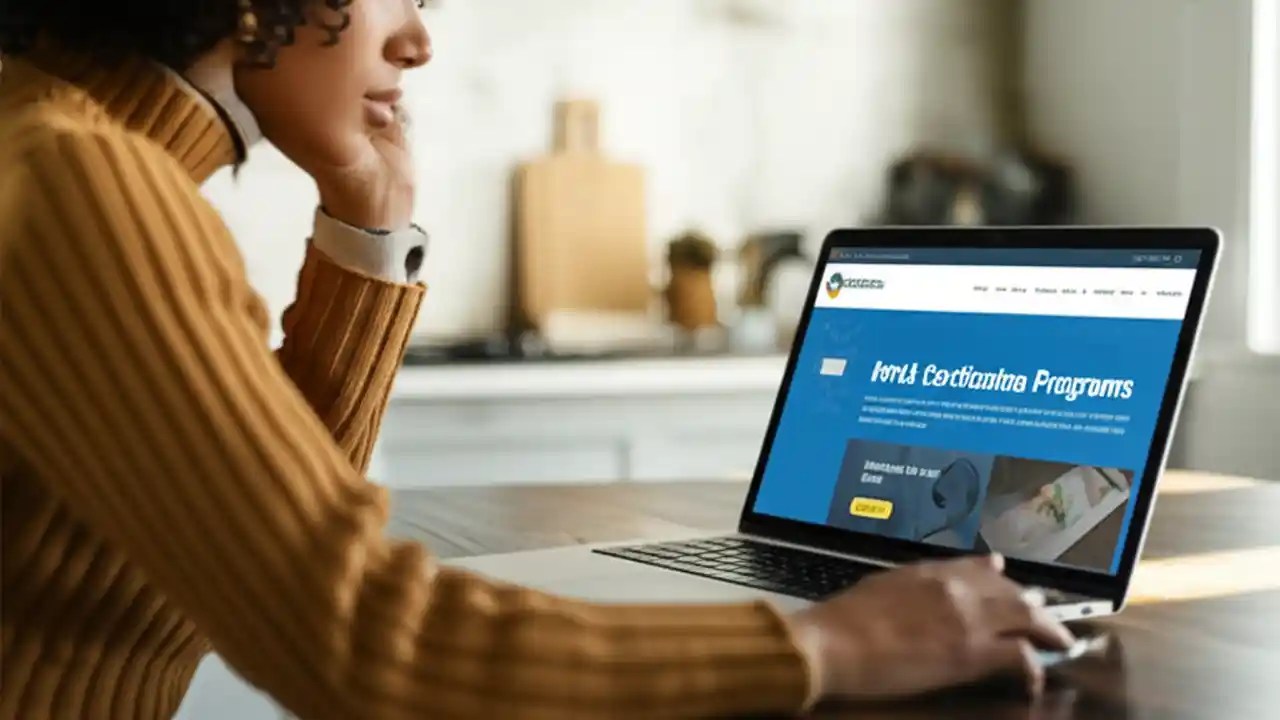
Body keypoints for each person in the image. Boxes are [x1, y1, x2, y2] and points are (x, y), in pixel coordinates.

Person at [0, 2, 1074, 718]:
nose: (419, 39)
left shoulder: (48, 141)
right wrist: (822, 654)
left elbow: (243, 546)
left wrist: (369, 231)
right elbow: (362, 640)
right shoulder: (71, 178)